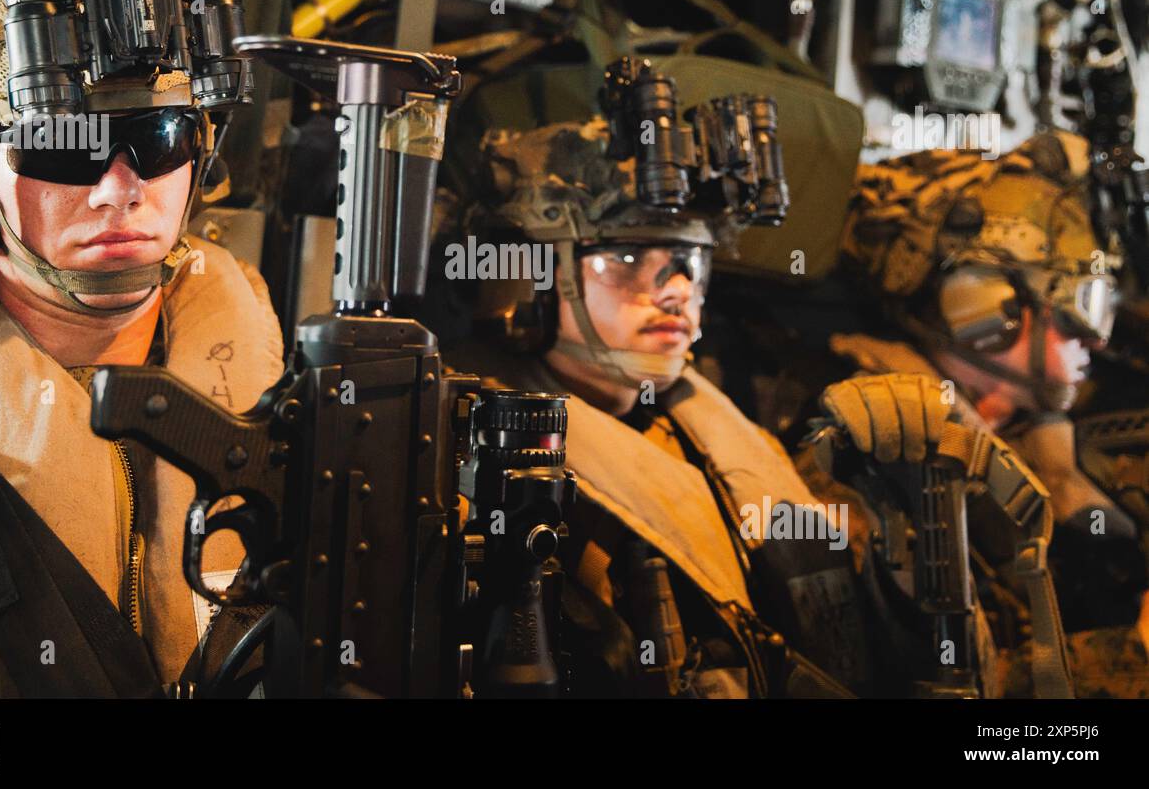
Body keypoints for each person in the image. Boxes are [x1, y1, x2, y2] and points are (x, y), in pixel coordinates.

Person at [441, 90, 994, 697]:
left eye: (688, 262)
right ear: (527, 279)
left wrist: (907, 530)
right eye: (627, 257)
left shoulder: (724, 433)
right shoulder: (469, 467)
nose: (676, 290)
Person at [0, 0, 280, 697]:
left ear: (201, 150)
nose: (121, 188)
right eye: (61, 145)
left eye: (159, 138)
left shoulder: (290, 397)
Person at [825, 135, 1149, 697]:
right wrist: (1133, 653)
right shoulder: (869, 470)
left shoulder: (1034, 434)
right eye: (1079, 305)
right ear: (978, 309)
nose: (1096, 342)